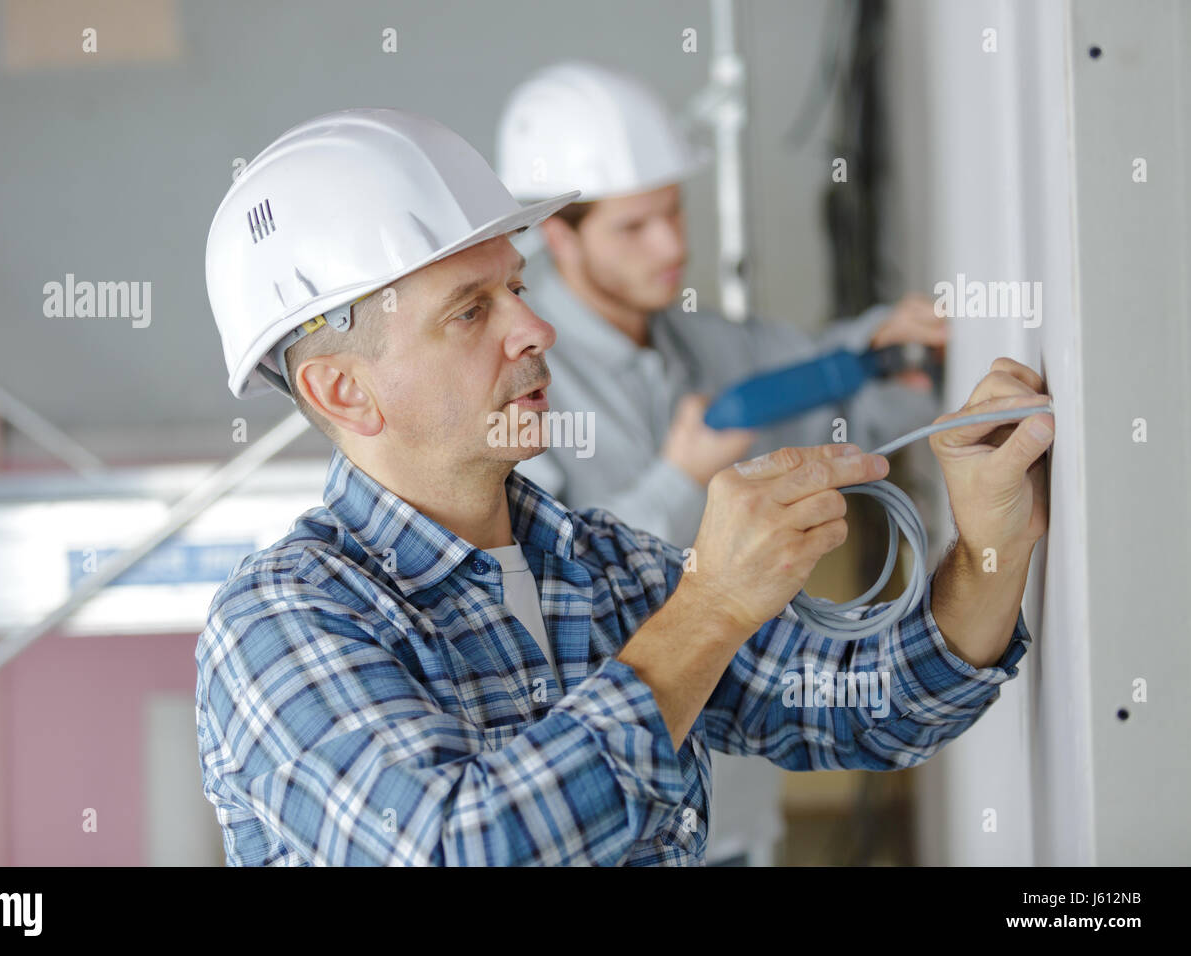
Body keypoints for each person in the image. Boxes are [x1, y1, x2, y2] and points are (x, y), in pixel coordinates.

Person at [195, 107, 1053, 866]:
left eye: (517, 289)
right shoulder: (281, 620)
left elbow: (876, 705)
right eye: (470, 311)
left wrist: (991, 540)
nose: (536, 328)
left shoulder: (601, 568)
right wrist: (710, 608)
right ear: (345, 391)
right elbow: (463, 848)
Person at [497, 60, 949, 864]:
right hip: (619, 831)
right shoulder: (516, 388)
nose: (672, 245)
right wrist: (681, 478)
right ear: (558, 234)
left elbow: (852, 396)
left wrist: (898, 348)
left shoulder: (710, 347)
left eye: (673, 211)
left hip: (736, 809)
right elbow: (537, 597)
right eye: (634, 228)